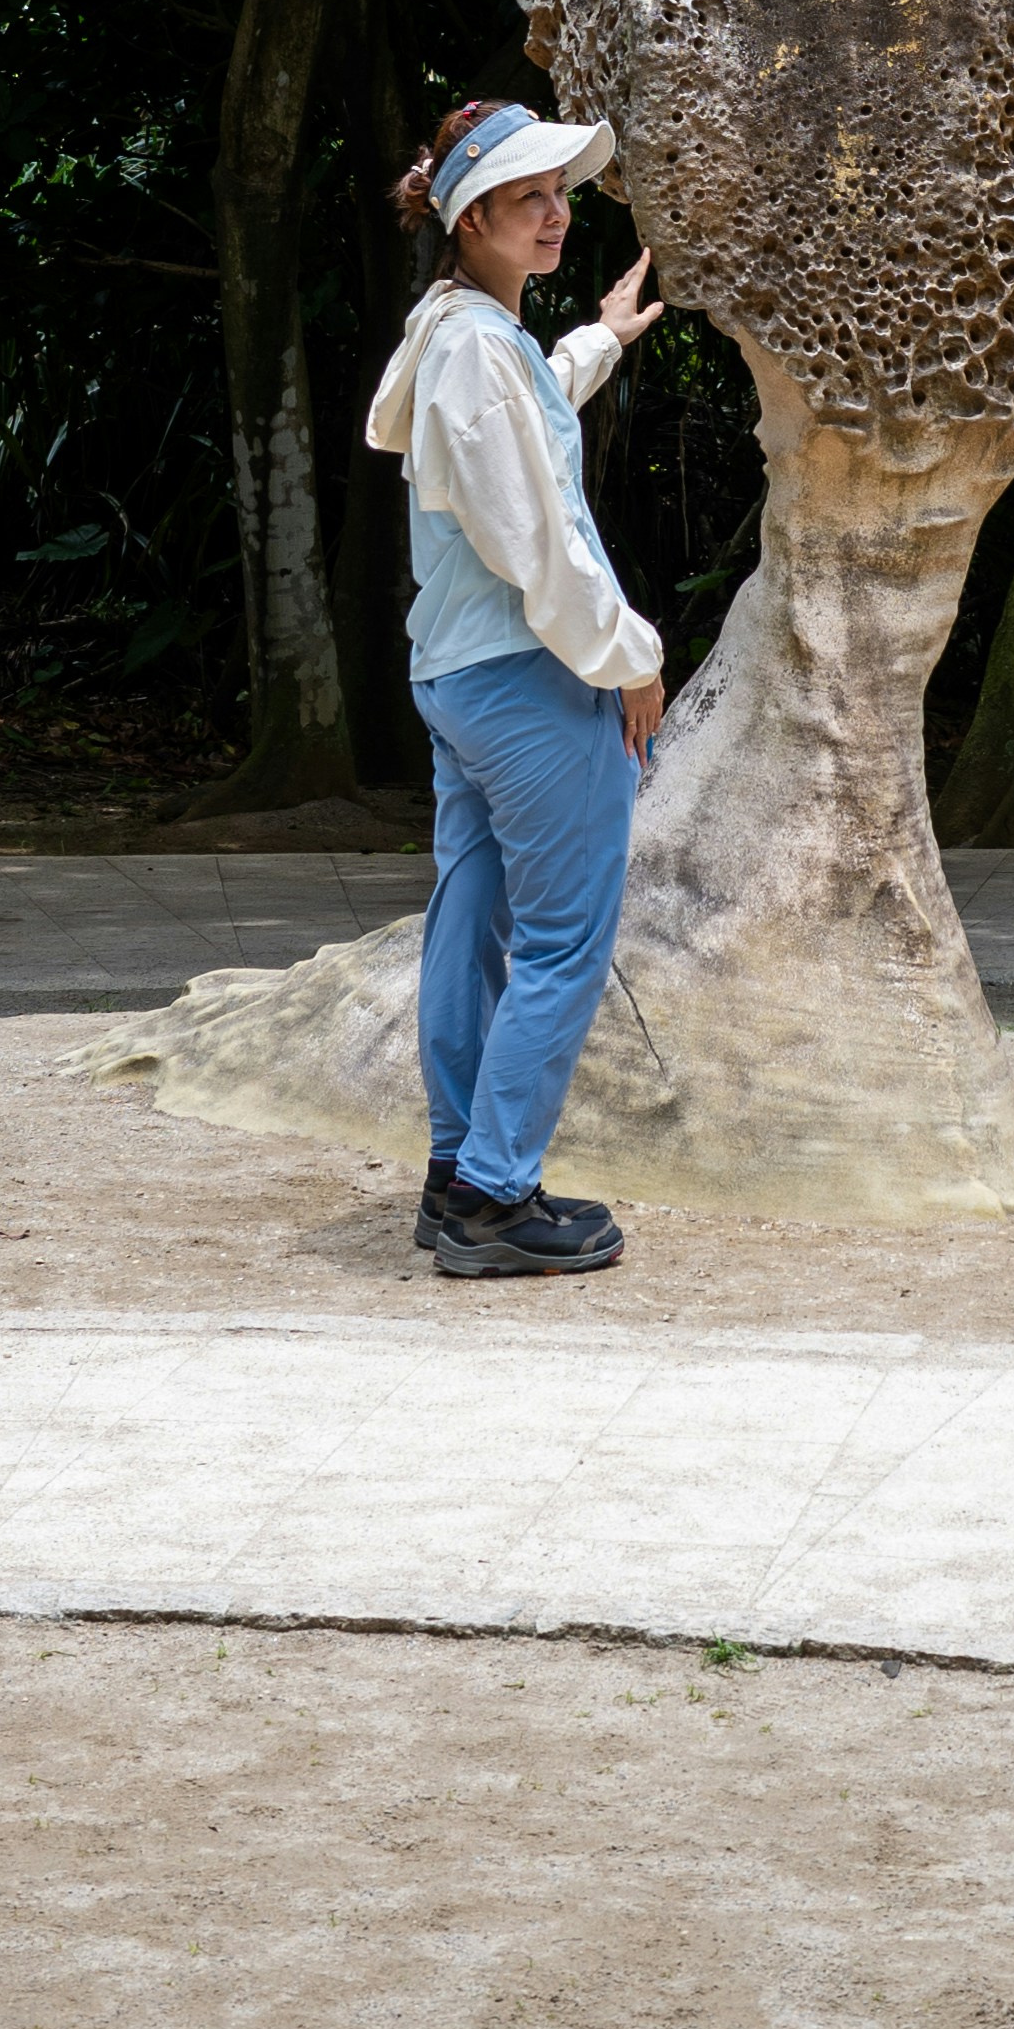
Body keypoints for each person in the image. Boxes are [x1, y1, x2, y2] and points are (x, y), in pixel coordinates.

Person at [363, 93, 667, 1279]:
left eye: (559, 196)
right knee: (560, 945)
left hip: (459, 681)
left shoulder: (451, 330)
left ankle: (458, 1174)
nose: (556, 215)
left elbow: (518, 433)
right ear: (473, 214)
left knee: (469, 928)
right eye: (532, 198)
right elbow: (534, 541)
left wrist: (600, 339)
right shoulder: (476, 351)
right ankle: (494, 1199)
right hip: (532, 684)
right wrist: (631, 659)